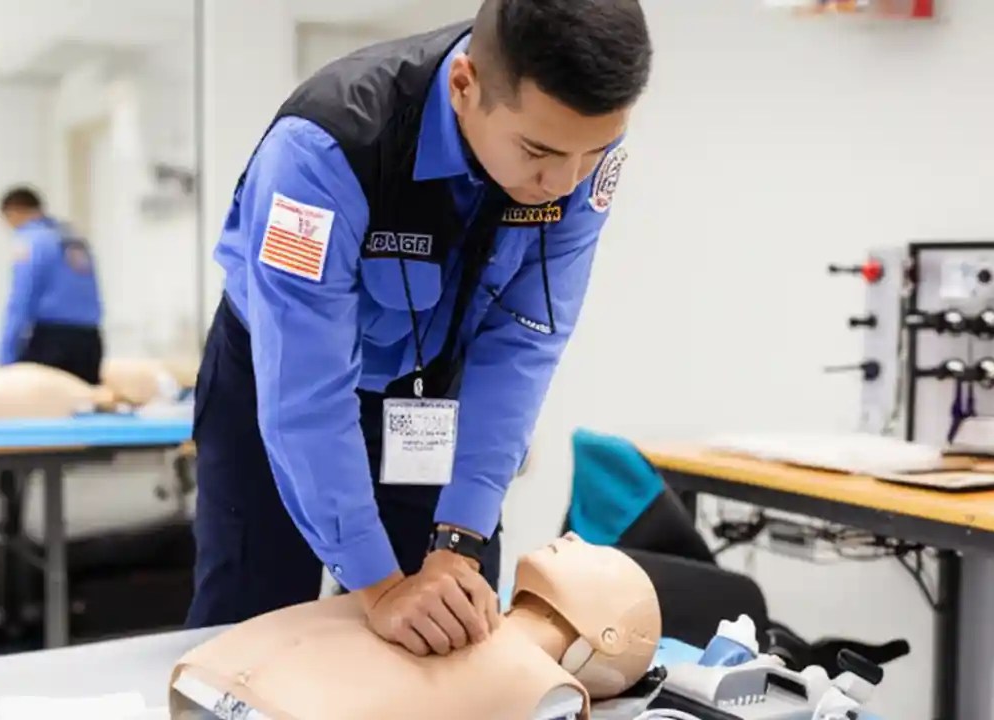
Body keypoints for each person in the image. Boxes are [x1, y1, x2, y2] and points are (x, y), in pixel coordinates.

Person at [187, 0, 653, 661]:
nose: (563, 185)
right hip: (278, 385)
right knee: (249, 640)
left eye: (593, 152)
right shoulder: (323, 150)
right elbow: (306, 391)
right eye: (539, 152)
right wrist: (378, 588)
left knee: (452, 632)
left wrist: (460, 541)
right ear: (465, 87)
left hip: (427, 393)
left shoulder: (574, 163)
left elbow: (524, 342)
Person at [170, 534, 662, 720]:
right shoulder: (424, 599)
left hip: (206, 687)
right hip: (207, 683)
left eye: (599, 558)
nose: (575, 536)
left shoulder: (549, 693)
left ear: (611, 637)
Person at [0, 187, 104, 384]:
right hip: (89, 339)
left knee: (43, 408)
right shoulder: (74, 239)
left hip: (53, 340)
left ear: (14, 212)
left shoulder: (31, 241)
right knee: (84, 406)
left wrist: (7, 355)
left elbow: (21, 298)